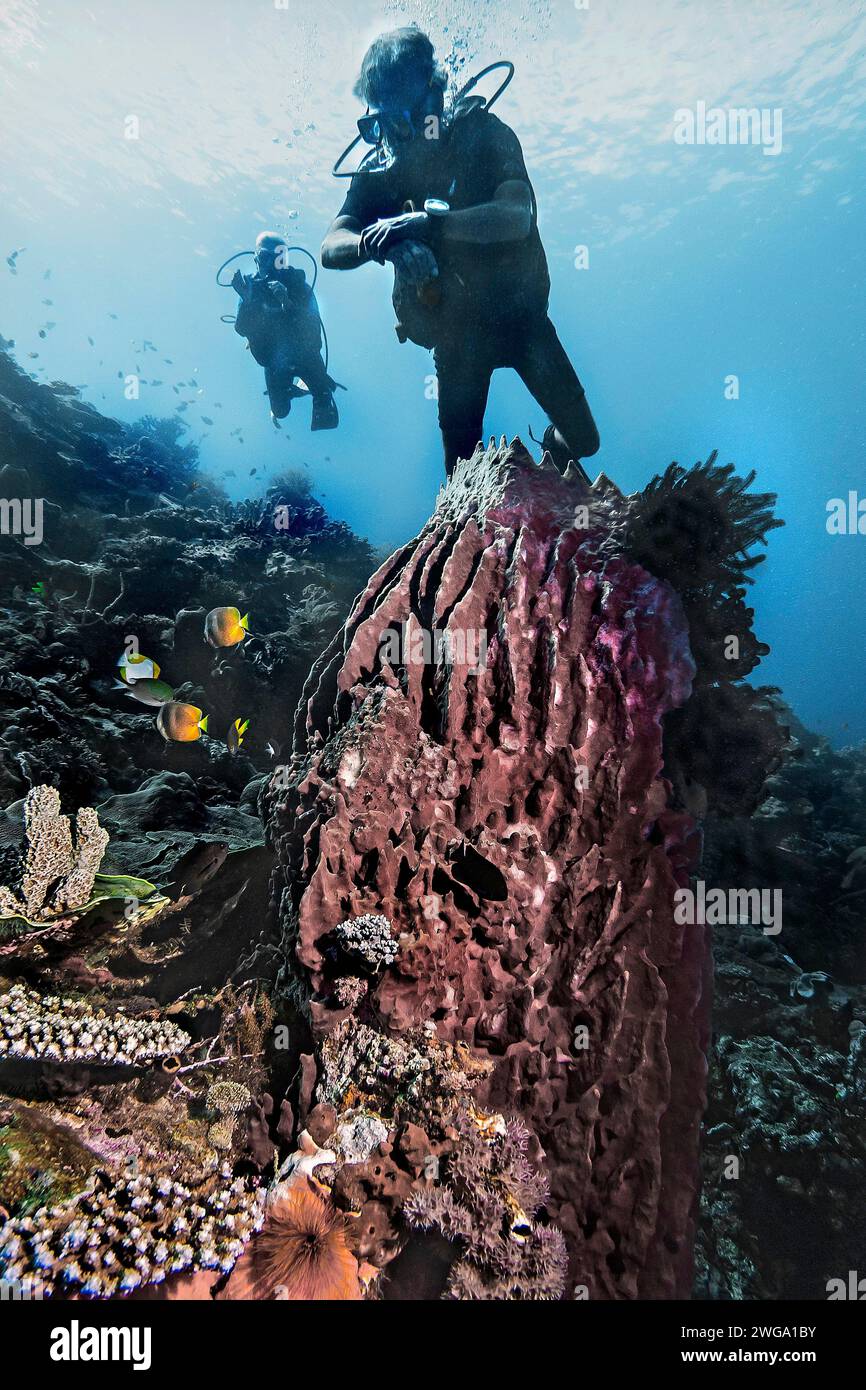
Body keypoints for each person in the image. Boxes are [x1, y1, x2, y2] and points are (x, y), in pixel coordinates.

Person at [321, 28, 600, 478]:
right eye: (385, 125)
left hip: (521, 320)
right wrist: (381, 243)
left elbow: (516, 215)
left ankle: (553, 451)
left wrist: (430, 225)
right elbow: (331, 247)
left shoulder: (485, 135)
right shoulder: (378, 172)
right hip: (455, 337)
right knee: (461, 481)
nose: (399, 138)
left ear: (436, 94)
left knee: (586, 440)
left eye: (406, 120)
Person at [233, 232, 339, 430]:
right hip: (274, 361)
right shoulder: (250, 289)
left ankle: (309, 387)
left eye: (278, 259)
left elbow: (314, 335)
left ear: (283, 260)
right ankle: (293, 390)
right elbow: (241, 329)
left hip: (306, 356)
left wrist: (287, 303)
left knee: (324, 402)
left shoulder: (300, 287)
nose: (269, 265)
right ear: (256, 258)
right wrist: (246, 302)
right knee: (281, 412)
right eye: (264, 258)